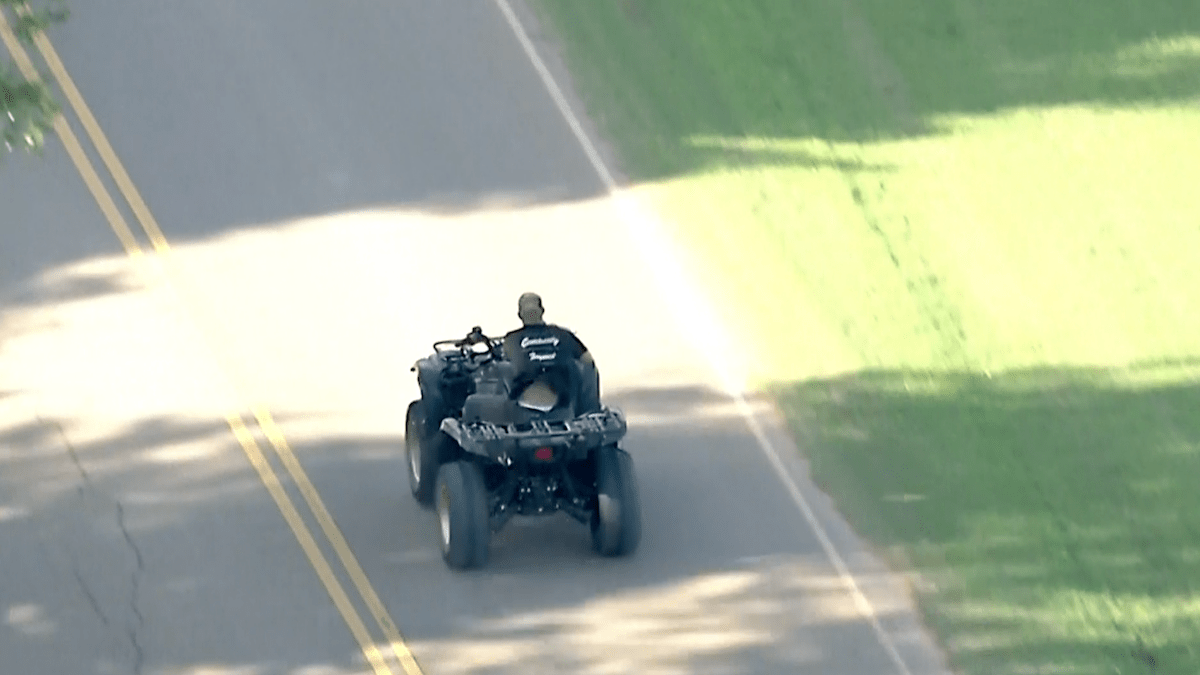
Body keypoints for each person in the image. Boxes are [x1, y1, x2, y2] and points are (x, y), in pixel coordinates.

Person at [501, 292, 600, 412]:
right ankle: (590, 410)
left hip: (524, 394)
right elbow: (587, 360)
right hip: (562, 392)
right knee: (585, 367)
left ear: (520, 315)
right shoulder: (563, 335)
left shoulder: (511, 339)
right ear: (542, 311)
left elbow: (502, 360)